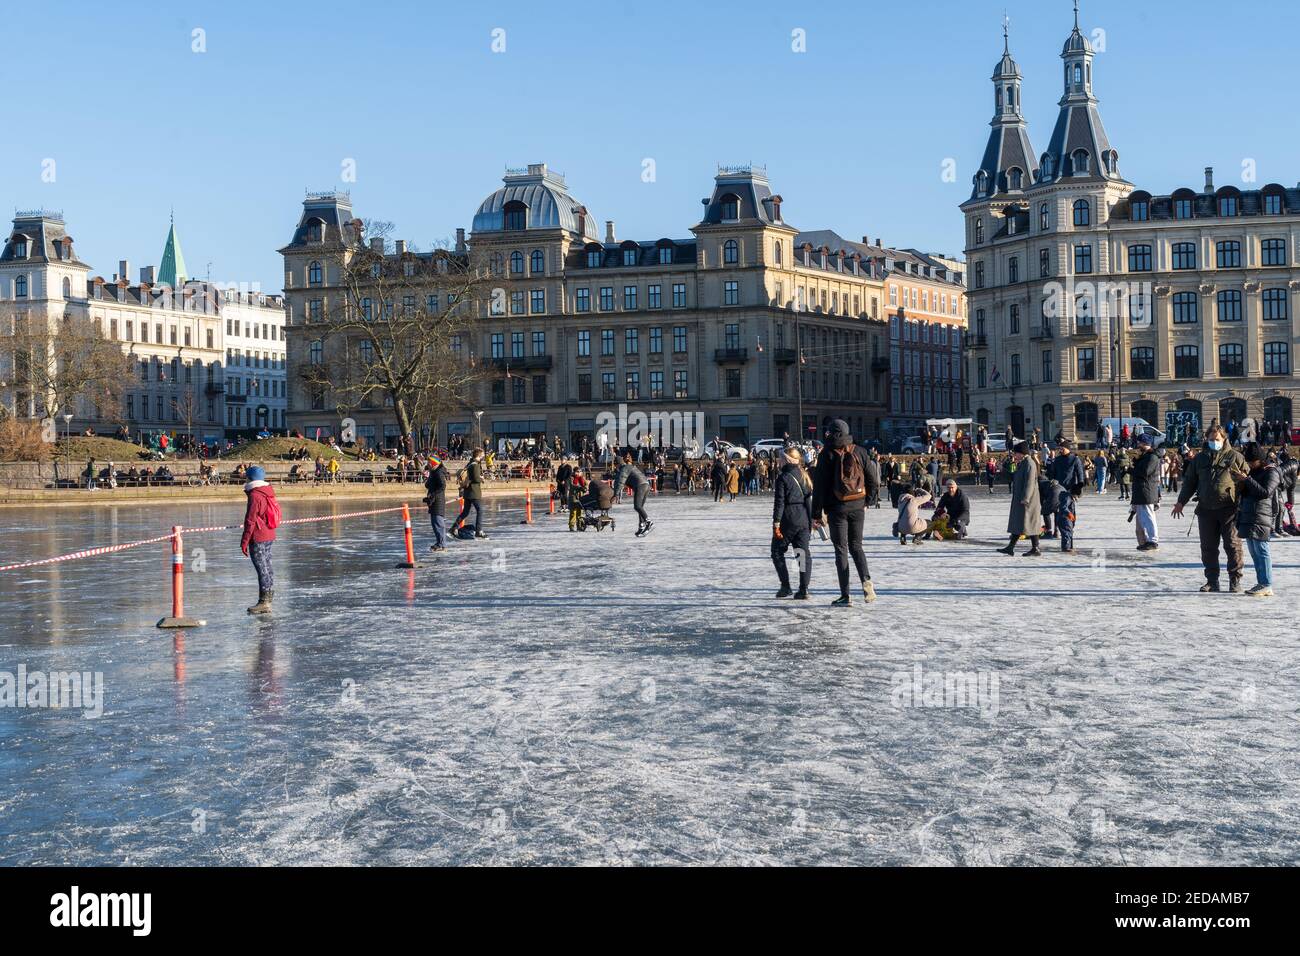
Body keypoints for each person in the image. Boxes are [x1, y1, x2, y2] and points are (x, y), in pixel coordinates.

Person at [811, 419, 879, 606]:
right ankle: (866, 582)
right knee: (857, 546)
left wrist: (816, 514)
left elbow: (819, 487)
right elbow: (873, 479)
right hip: (858, 506)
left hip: (836, 508)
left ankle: (845, 595)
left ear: (832, 433)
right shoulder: (860, 451)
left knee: (841, 549)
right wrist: (869, 501)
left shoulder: (826, 454)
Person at [1172, 425, 1248, 592]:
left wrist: (1246, 504)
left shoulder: (1235, 457)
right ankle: (1212, 580)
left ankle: (1235, 580)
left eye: (1217, 440)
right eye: (1211, 440)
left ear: (1224, 439)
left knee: (1233, 545)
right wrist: (1180, 502)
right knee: (1208, 547)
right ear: (1206, 439)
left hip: (1229, 509)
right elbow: (1190, 482)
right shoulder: (1200, 459)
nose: (1214, 442)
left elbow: (1247, 481)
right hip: (1206, 509)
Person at [1235, 442, 1281, 597]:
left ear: (1260, 459)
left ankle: (1267, 584)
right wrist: (1241, 482)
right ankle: (1261, 582)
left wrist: (1247, 480)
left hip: (1262, 517)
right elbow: (1247, 493)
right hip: (1249, 516)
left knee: (1262, 551)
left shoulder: (1271, 472)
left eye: (1251, 461)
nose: (1249, 464)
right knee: (1254, 552)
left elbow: (1265, 492)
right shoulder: (1253, 472)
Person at [771, 446, 813, 599]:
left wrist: (776, 522)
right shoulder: (804, 475)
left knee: (776, 551)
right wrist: (811, 521)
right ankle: (803, 589)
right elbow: (809, 501)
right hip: (803, 519)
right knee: (802, 554)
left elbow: (779, 503)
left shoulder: (783, 478)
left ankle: (785, 586)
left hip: (788, 519)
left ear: (787, 460)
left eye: (781, 458)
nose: (779, 461)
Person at [240, 465, 280, 614]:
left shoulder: (255, 495)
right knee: (267, 566)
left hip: (258, 536)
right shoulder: (266, 492)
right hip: (269, 533)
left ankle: (264, 602)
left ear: (250, 478)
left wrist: (244, 542)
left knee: (262, 569)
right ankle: (268, 599)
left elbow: (250, 520)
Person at [998, 441, 1042, 556]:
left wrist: (1026, 498)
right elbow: (1014, 477)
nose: (1014, 455)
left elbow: (1030, 482)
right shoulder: (1022, 463)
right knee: (1020, 523)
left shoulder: (1029, 463)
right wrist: (1003, 470)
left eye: (1016, 453)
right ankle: (1011, 547)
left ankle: (1035, 548)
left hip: (1028, 500)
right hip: (1021, 498)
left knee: (1029, 523)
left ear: (1022, 453)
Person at [1130, 433, 1162, 552]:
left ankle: (1153, 540)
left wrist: (1133, 469)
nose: (1138, 445)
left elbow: (1145, 472)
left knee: (1149, 517)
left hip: (1147, 491)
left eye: (1139, 443)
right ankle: (1148, 540)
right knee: (1144, 518)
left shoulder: (1152, 457)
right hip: (1142, 491)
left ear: (1145, 443)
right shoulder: (1145, 456)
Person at [613, 451, 653, 536]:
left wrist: (615, 494)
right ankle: (641, 526)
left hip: (640, 486)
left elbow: (620, 482)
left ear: (617, 464)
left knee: (637, 506)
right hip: (646, 485)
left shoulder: (624, 468)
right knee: (640, 507)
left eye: (615, 465)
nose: (615, 467)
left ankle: (648, 522)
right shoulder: (628, 466)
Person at [452, 449, 489, 539]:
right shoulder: (475, 465)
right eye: (482, 455)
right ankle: (478, 530)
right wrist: (482, 479)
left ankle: (454, 528)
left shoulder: (470, 463)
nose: (483, 457)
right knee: (480, 510)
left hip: (467, 492)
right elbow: (476, 478)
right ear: (479, 455)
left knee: (465, 512)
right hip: (474, 492)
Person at [423, 454, 448, 552]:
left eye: (429, 462)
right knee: (435, 523)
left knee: (438, 523)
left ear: (433, 463)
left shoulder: (438, 472)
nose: (427, 463)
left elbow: (442, 486)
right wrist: (427, 476)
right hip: (434, 501)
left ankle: (442, 544)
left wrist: (433, 495)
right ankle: (439, 542)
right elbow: (427, 485)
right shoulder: (433, 472)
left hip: (438, 501)